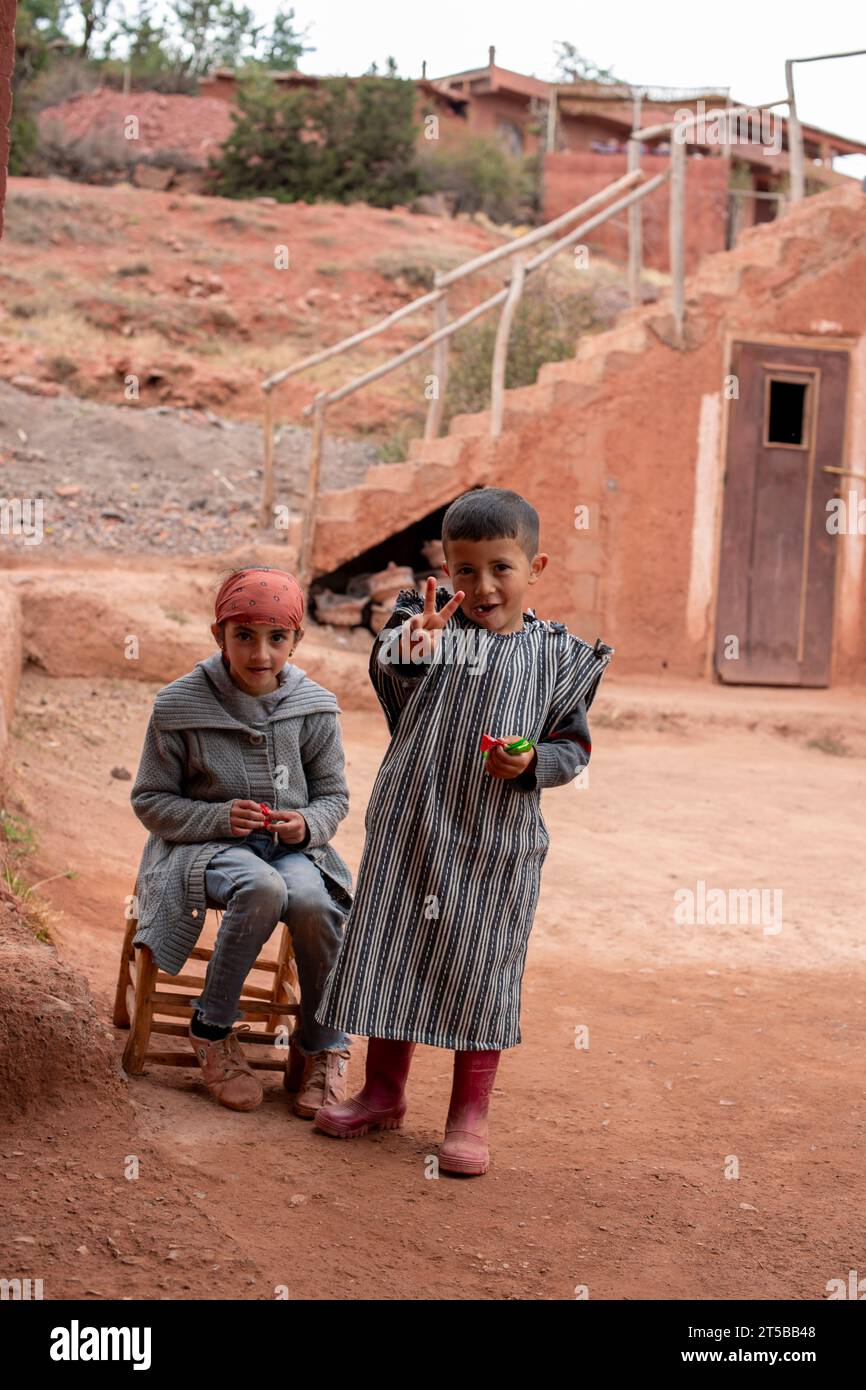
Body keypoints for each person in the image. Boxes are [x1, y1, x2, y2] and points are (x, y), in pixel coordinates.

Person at [314, 488, 614, 1175]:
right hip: (411, 830)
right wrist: (414, 647)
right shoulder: (427, 630)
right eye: (465, 571)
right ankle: (383, 1092)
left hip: (495, 845)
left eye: (500, 569)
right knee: (395, 952)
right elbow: (394, 669)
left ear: (534, 567)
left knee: (480, 967)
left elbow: (574, 749)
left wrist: (534, 760)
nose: (481, 587)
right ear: (445, 572)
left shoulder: (557, 656)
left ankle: (468, 1116)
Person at [129, 566, 353, 1116]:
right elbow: (151, 801)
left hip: (292, 848)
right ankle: (211, 1027)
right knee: (260, 888)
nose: (261, 653)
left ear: (296, 640)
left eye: (277, 638)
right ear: (218, 635)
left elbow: (333, 797)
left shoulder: (315, 707)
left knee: (312, 900)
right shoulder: (179, 706)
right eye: (244, 636)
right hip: (203, 850)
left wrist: (308, 825)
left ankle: (321, 1046)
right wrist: (218, 817)